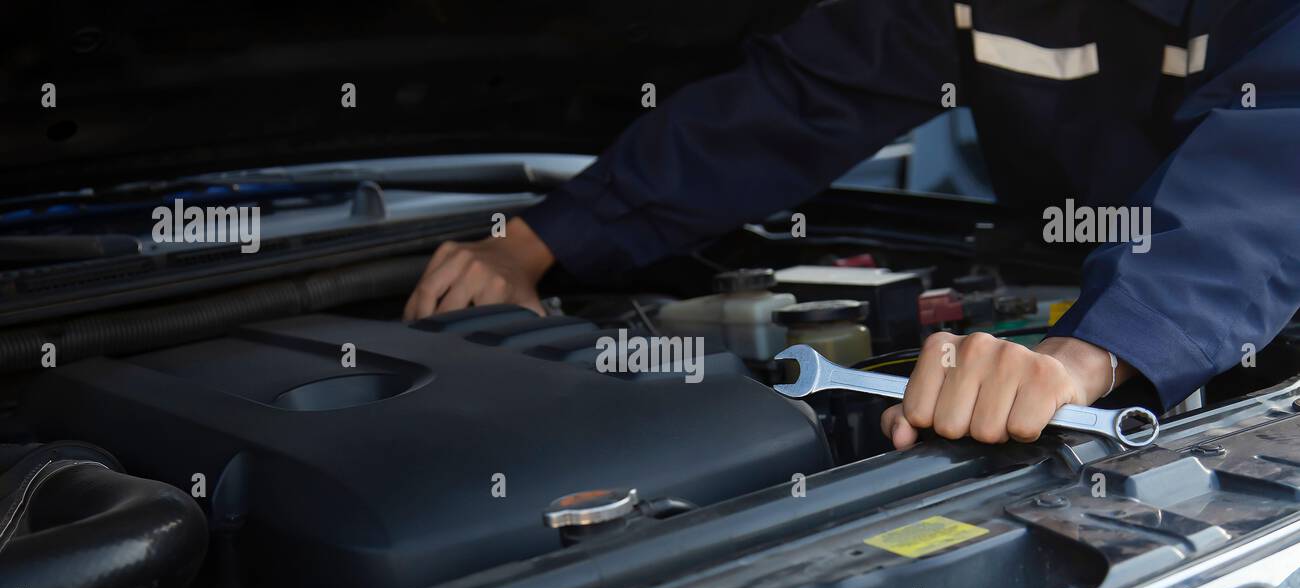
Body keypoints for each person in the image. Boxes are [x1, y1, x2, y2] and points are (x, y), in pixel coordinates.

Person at [403, 0, 1300, 450]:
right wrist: (540, 239)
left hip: (1246, 322)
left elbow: (1270, 173)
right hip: (1080, 309)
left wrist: (1094, 353)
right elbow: (796, 100)